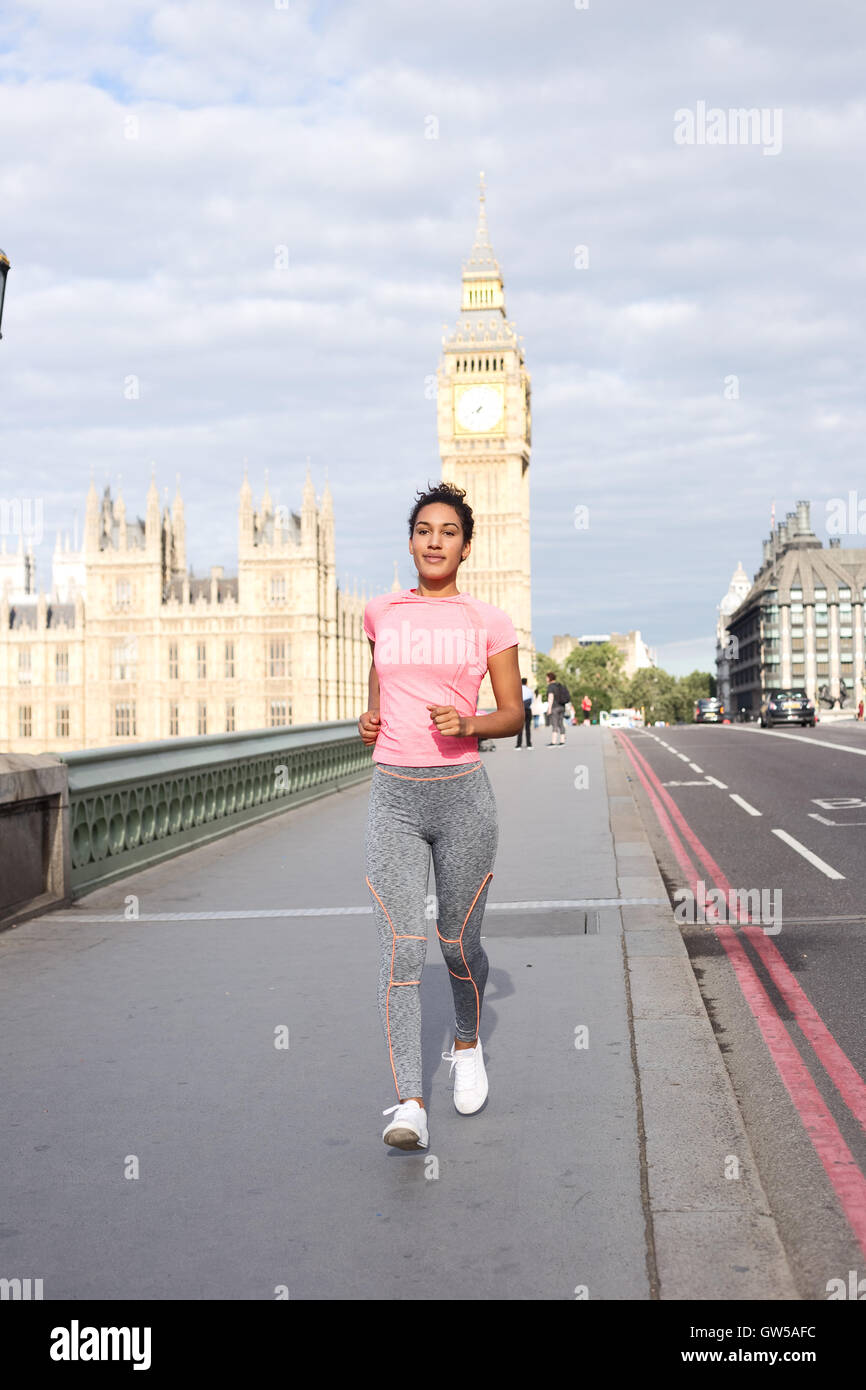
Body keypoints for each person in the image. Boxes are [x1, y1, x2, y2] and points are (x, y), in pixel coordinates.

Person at [358, 481, 523, 1151]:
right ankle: (409, 1104)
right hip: (392, 796)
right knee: (402, 947)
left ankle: (465, 1039)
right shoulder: (380, 613)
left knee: (456, 944)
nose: (434, 540)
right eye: (424, 529)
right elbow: (377, 692)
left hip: (462, 796)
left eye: (448, 531)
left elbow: (514, 715)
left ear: (465, 545)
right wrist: (366, 720)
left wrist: (470, 721)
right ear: (410, 540)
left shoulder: (489, 621)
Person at [545, 671, 569, 745]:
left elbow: (550, 698)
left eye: (547, 677)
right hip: (562, 706)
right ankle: (562, 740)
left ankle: (553, 741)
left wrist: (549, 709)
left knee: (554, 724)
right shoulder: (559, 685)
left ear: (549, 678)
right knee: (561, 723)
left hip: (555, 707)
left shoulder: (550, 686)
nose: (546, 679)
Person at [515, 676, 534, 748]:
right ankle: (529, 744)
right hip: (528, 710)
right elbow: (532, 701)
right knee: (528, 728)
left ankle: (518, 745)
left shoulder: (518, 690)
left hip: (520, 710)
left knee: (520, 728)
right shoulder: (529, 690)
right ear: (526, 682)